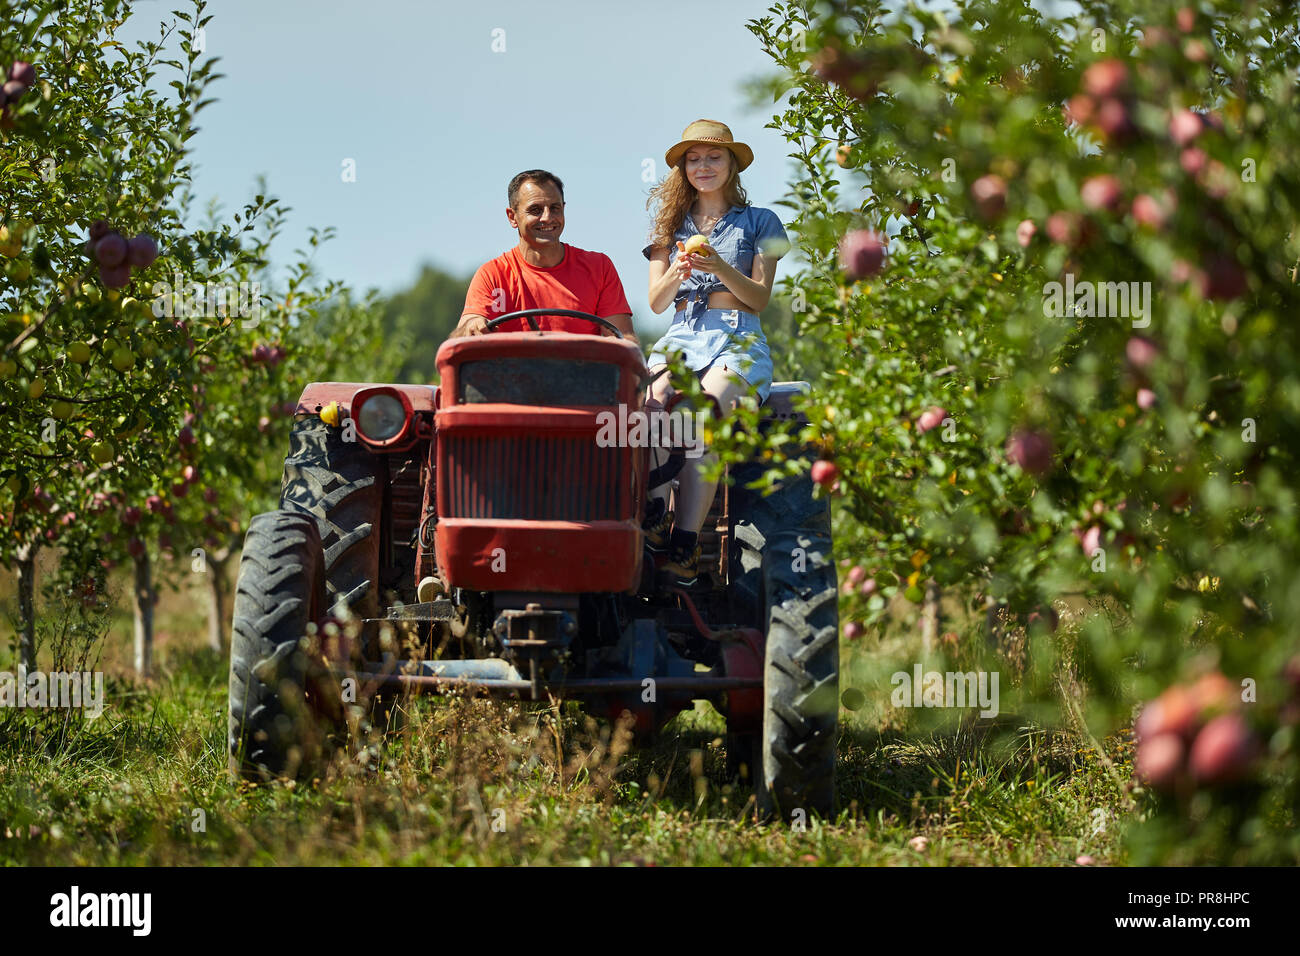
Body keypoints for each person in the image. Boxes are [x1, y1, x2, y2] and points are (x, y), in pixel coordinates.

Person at [641, 120, 790, 584]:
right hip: (682, 334)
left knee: (702, 422)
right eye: (694, 158)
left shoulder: (761, 221)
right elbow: (657, 302)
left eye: (713, 157)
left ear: (732, 164)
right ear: (683, 168)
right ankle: (654, 517)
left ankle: (685, 548)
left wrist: (719, 265)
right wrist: (679, 270)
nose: (703, 166)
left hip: (738, 335)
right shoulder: (669, 227)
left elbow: (759, 299)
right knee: (648, 411)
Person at [451, 169, 637, 341]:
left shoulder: (599, 268)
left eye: (554, 208)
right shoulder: (492, 275)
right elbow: (465, 334)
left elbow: (622, 343)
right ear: (512, 217)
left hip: (582, 374)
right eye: (535, 210)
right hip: (513, 375)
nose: (547, 217)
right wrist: (473, 323)